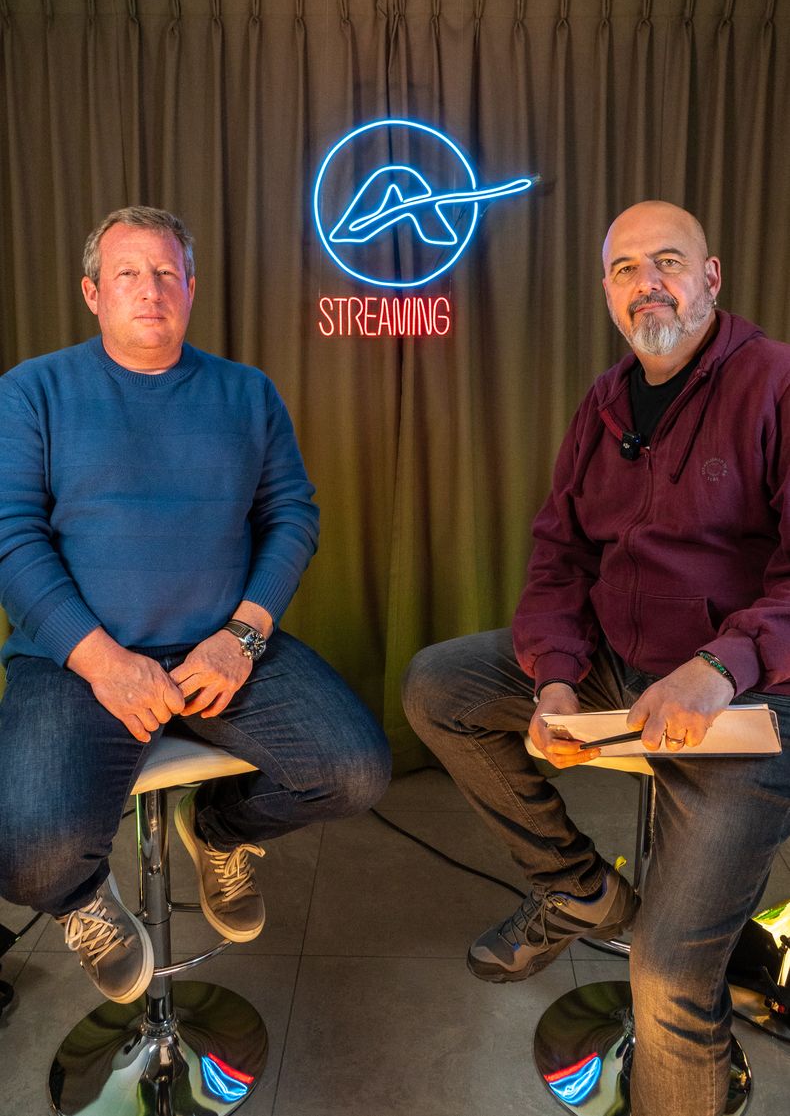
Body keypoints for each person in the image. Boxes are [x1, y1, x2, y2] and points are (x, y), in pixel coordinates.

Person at [403, 201, 790, 1116]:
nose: (646, 282)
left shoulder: (774, 381)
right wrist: (555, 676)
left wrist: (720, 664)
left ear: (712, 277)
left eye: (667, 260)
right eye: (625, 268)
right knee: (439, 686)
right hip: (618, 665)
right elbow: (558, 556)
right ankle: (580, 892)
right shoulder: (605, 398)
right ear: (608, 292)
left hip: (748, 696)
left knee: (668, 974)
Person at [0, 205, 391, 1006]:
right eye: (129, 275)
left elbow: (292, 515)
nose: (151, 290)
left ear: (191, 289)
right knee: (27, 857)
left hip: (224, 649)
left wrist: (242, 637)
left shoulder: (247, 393)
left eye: (168, 274)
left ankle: (218, 830)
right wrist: (102, 660)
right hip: (77, 663)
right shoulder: (31, 392)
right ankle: (83, 901)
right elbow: (11, 537)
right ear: (93, 293)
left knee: (355, 771)